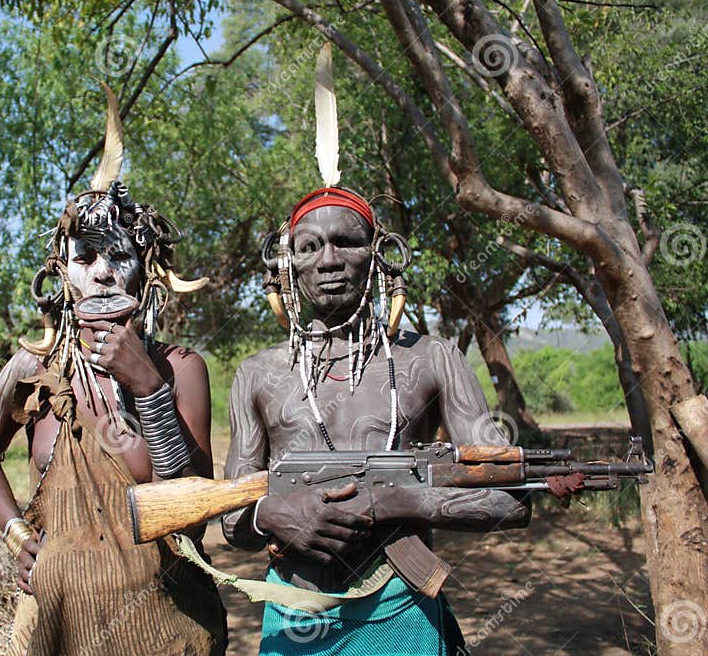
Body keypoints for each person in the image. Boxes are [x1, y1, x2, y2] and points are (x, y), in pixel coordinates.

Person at [220, 46, 530, 656]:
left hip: (403, 611)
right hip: (297, 612)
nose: (329, 260)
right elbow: (232, 520)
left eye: (347, 243)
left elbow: (506, 499)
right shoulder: (258, 375)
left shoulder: (431, 359)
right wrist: (273, 516)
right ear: (288, 266)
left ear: (378, 255)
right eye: (309, 247)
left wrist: (399, 501)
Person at [0, 87, 226, 655]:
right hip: (54, 633)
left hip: (167, 633)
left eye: (120, 257)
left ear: (146, 272)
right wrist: (18, 536)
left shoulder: (180, 370)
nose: (103, 273)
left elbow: (190, 517)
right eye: (85, 258)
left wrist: (147, 388)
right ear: (62, 272)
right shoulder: (33, 370)